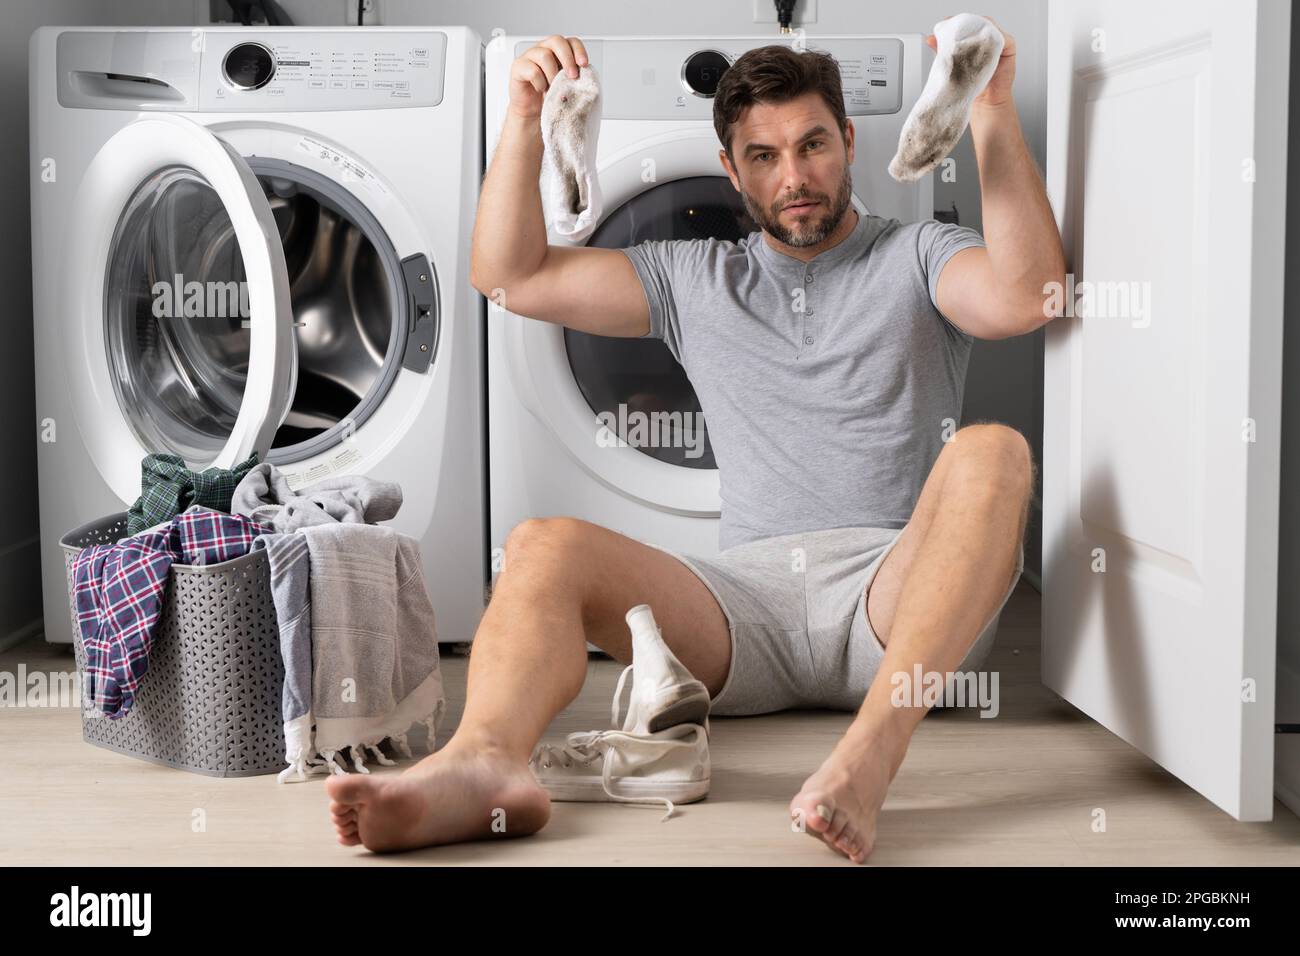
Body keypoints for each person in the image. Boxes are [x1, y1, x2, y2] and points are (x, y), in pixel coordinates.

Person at [327, 22, 1061, 864]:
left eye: (813, 144)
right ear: (731, 169)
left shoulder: (919, 253)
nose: (795, 177)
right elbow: (510, 277)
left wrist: (991, 106)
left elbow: (1028, 296)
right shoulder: (695, 279)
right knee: (541, 546)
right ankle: (483, 766)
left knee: (992, 451)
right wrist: (523, 117)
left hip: (896, 601)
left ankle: (870, 757)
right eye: (763, 155)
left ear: (849, 141)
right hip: (746, 610)